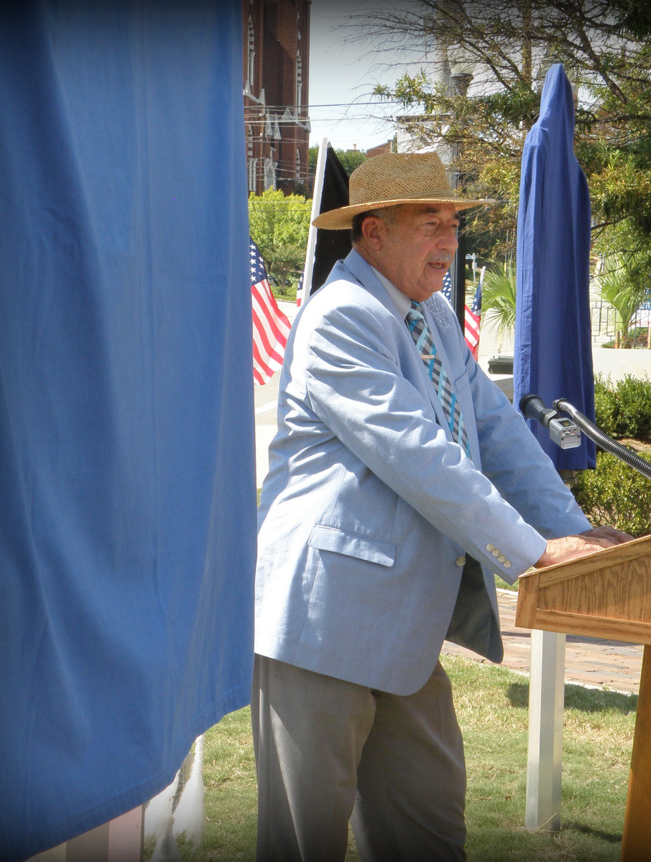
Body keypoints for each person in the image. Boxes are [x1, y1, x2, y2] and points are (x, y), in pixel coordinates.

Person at [251, 152, 631, 862]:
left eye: (453, 224)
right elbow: (423, 459)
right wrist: (538, 555)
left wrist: (573, 535)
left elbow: (498, 433)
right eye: (431, 223)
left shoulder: (432, 318)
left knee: (429, 833)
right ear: (372, 233)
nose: (450, 242)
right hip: (320, 619)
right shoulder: (342, 317)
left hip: (403, 626)